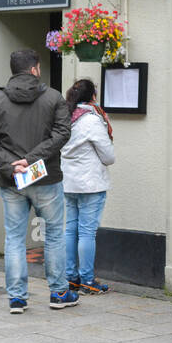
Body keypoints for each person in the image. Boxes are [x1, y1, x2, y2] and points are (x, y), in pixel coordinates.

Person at [0, 48, 75, 314]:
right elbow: (62, 133)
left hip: (12, 182)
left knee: (15, 239)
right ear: (34, 69)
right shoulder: (54, 98)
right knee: (54, 235)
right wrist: (32, 160)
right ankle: (59, 293)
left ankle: (17, 298)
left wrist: (12, 166)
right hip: (47, 179)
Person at [61, 78, 115, 295]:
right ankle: (86, 279)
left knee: (70, 229)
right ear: (92, 96)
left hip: (68, 182)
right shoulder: (92, 120)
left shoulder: (66, 117)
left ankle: (70, 277)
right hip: (90, 184)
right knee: (86, 232)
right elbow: (108, 156)